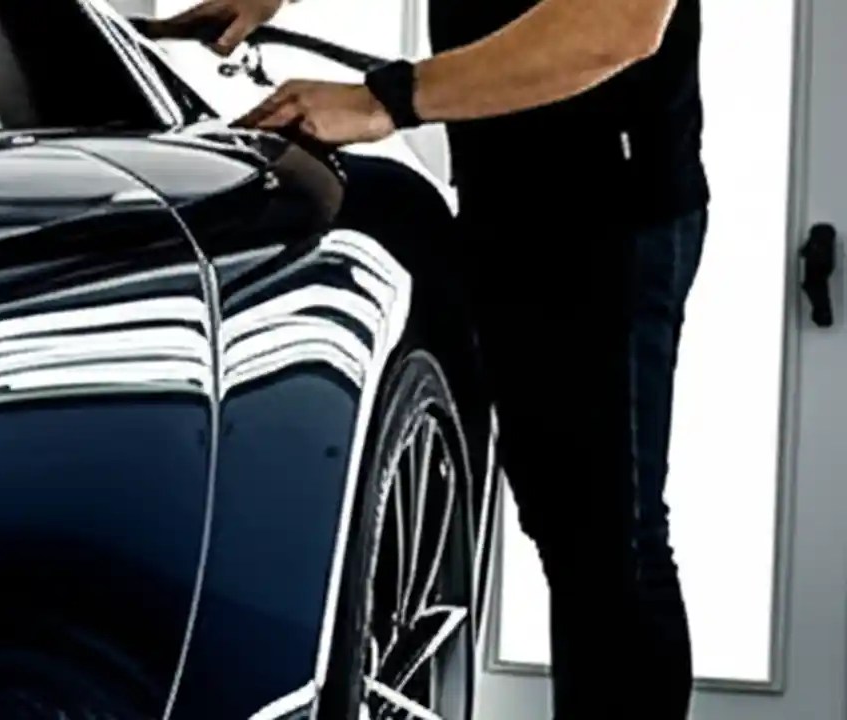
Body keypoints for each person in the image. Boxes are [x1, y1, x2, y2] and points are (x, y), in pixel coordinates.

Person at [150, 1, 707, 718]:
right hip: (510, 199)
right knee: (574, 537)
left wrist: (386, 100)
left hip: (608, 214)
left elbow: (617, 24)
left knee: (612, 549)